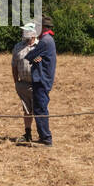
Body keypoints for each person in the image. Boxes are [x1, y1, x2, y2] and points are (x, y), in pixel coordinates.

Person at [29, 16, 57, 146]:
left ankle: (46, 138)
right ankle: (43, 137)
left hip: (41, 79)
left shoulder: (45, 41)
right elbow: (36, 57)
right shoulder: (48, 39)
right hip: (43, 78)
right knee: (40, 108)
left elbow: (29, 56)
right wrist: (37, 57)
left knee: (40, 109)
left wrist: (36, 57)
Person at [12, 22, 39, 143]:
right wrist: (16, 82)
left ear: (33, 33)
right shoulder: (18, 46)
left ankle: (42, 135)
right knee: (27, 110)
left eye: (26, 31)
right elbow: (14, 65)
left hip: (37, 85)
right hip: (22, 84)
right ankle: (28, 133)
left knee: (38, 110)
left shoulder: (40, 46)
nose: (24, 33)